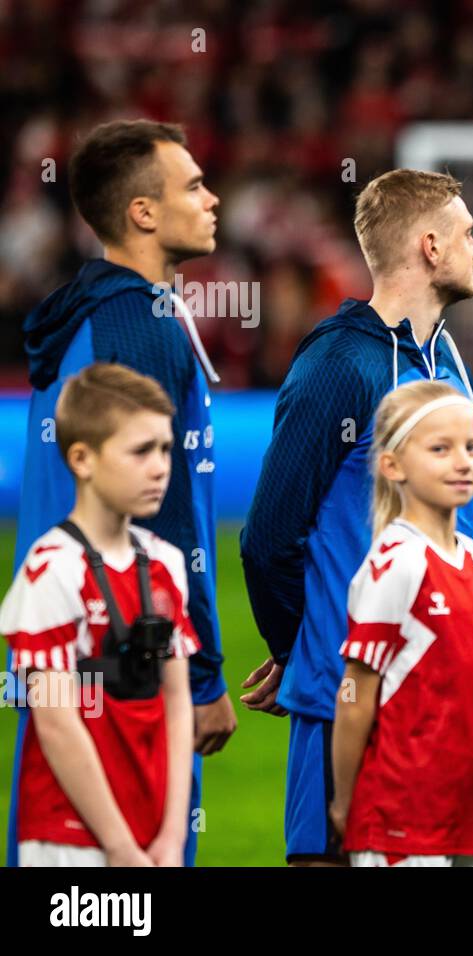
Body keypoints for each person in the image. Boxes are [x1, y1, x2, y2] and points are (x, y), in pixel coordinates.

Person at [240, 169, 473, 864]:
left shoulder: (443, 359)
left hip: (434, 697)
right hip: (349, 694)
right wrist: (304, 652)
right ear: (430, 247)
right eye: (466, 235)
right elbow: (269, 538)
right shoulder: (342, 363)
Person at [12, 119, 235, 867]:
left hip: (67, 648)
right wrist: (202, 675)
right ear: (142, 212)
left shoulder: (87, 312)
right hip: (128, 663)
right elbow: (163, 518)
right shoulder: (143, 328)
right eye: (194, 185)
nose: (213, 199)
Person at [1, 363, 198, 866]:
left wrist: (173, 834)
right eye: (140, 451)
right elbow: (55, 721)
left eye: (165, 449)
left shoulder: (166, 564)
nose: (160, 467)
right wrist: (117, 845)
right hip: (70, 836)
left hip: (152, 832)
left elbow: (178, 704)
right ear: (82, 460)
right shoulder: (52, 569)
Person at [329, 380, 473, 867]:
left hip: (466, 815)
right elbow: (355, 691)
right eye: (440, 449)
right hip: (401, 817)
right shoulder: (397, 562)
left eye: (472, 447)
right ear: (392, 465)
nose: (463, 461)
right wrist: (344, 798)